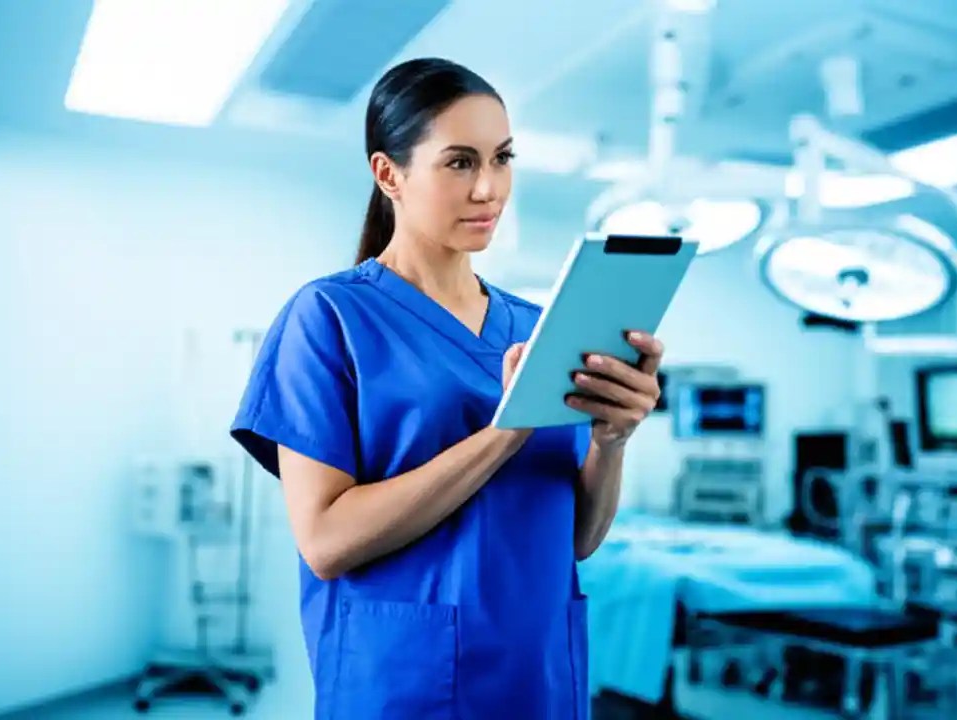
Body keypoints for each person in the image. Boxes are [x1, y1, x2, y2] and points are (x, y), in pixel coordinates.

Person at [230, 57, 664, 720]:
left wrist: (614, 440)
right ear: (388, 173)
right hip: (405, 685)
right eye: (460, 162)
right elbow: (325, 540)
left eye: (503, 158)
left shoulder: (537, 328)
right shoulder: (329, 319)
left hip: (539, 676)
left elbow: (576, 537)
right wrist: (504, 433)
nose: (490, 188)